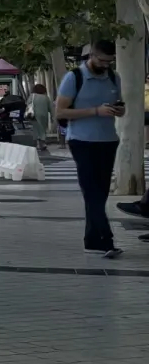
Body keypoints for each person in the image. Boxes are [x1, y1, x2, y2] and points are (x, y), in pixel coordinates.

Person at [56, 41, 124, 258]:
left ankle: (92, 241)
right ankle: (107, 240)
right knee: (92, 192)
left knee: (100, 194)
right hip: (82, 141)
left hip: (108, 141)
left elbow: (119, 109)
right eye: (102, 60)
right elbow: (60, 112)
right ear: (91, 56)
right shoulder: (74, 77)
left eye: (109, 61)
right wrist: (95, 111)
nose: (105, 65)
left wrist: (119, 110)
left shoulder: (114, 77)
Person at [27, 81, 54, 150]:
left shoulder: (32, 96)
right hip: (44, 115)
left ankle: (37, 144)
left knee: (36, 129)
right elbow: (51, 108)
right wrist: (52, 116)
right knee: (42, 129)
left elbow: (27, 104)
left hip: (34, 115)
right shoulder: (46, 97)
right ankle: (43, 143)